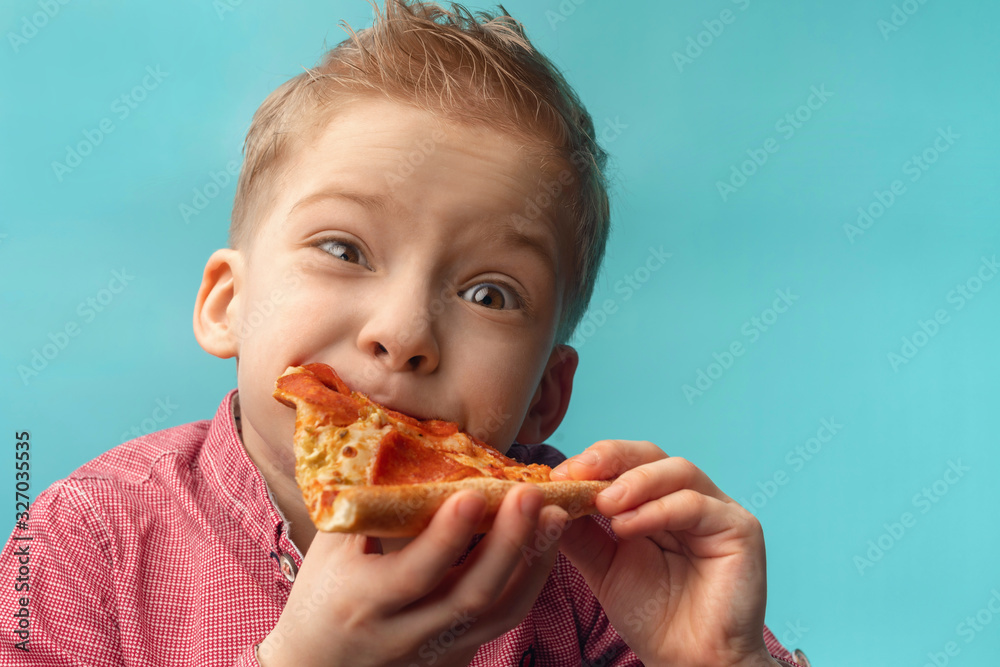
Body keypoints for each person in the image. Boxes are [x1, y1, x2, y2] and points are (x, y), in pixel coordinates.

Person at [0, 2, 810, 665]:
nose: (404, 332)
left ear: (545, 397)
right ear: (226, 302)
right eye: (344, 249)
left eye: (490, 293)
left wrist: (720, 659)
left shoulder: (596, 570)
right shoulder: (86, 538)